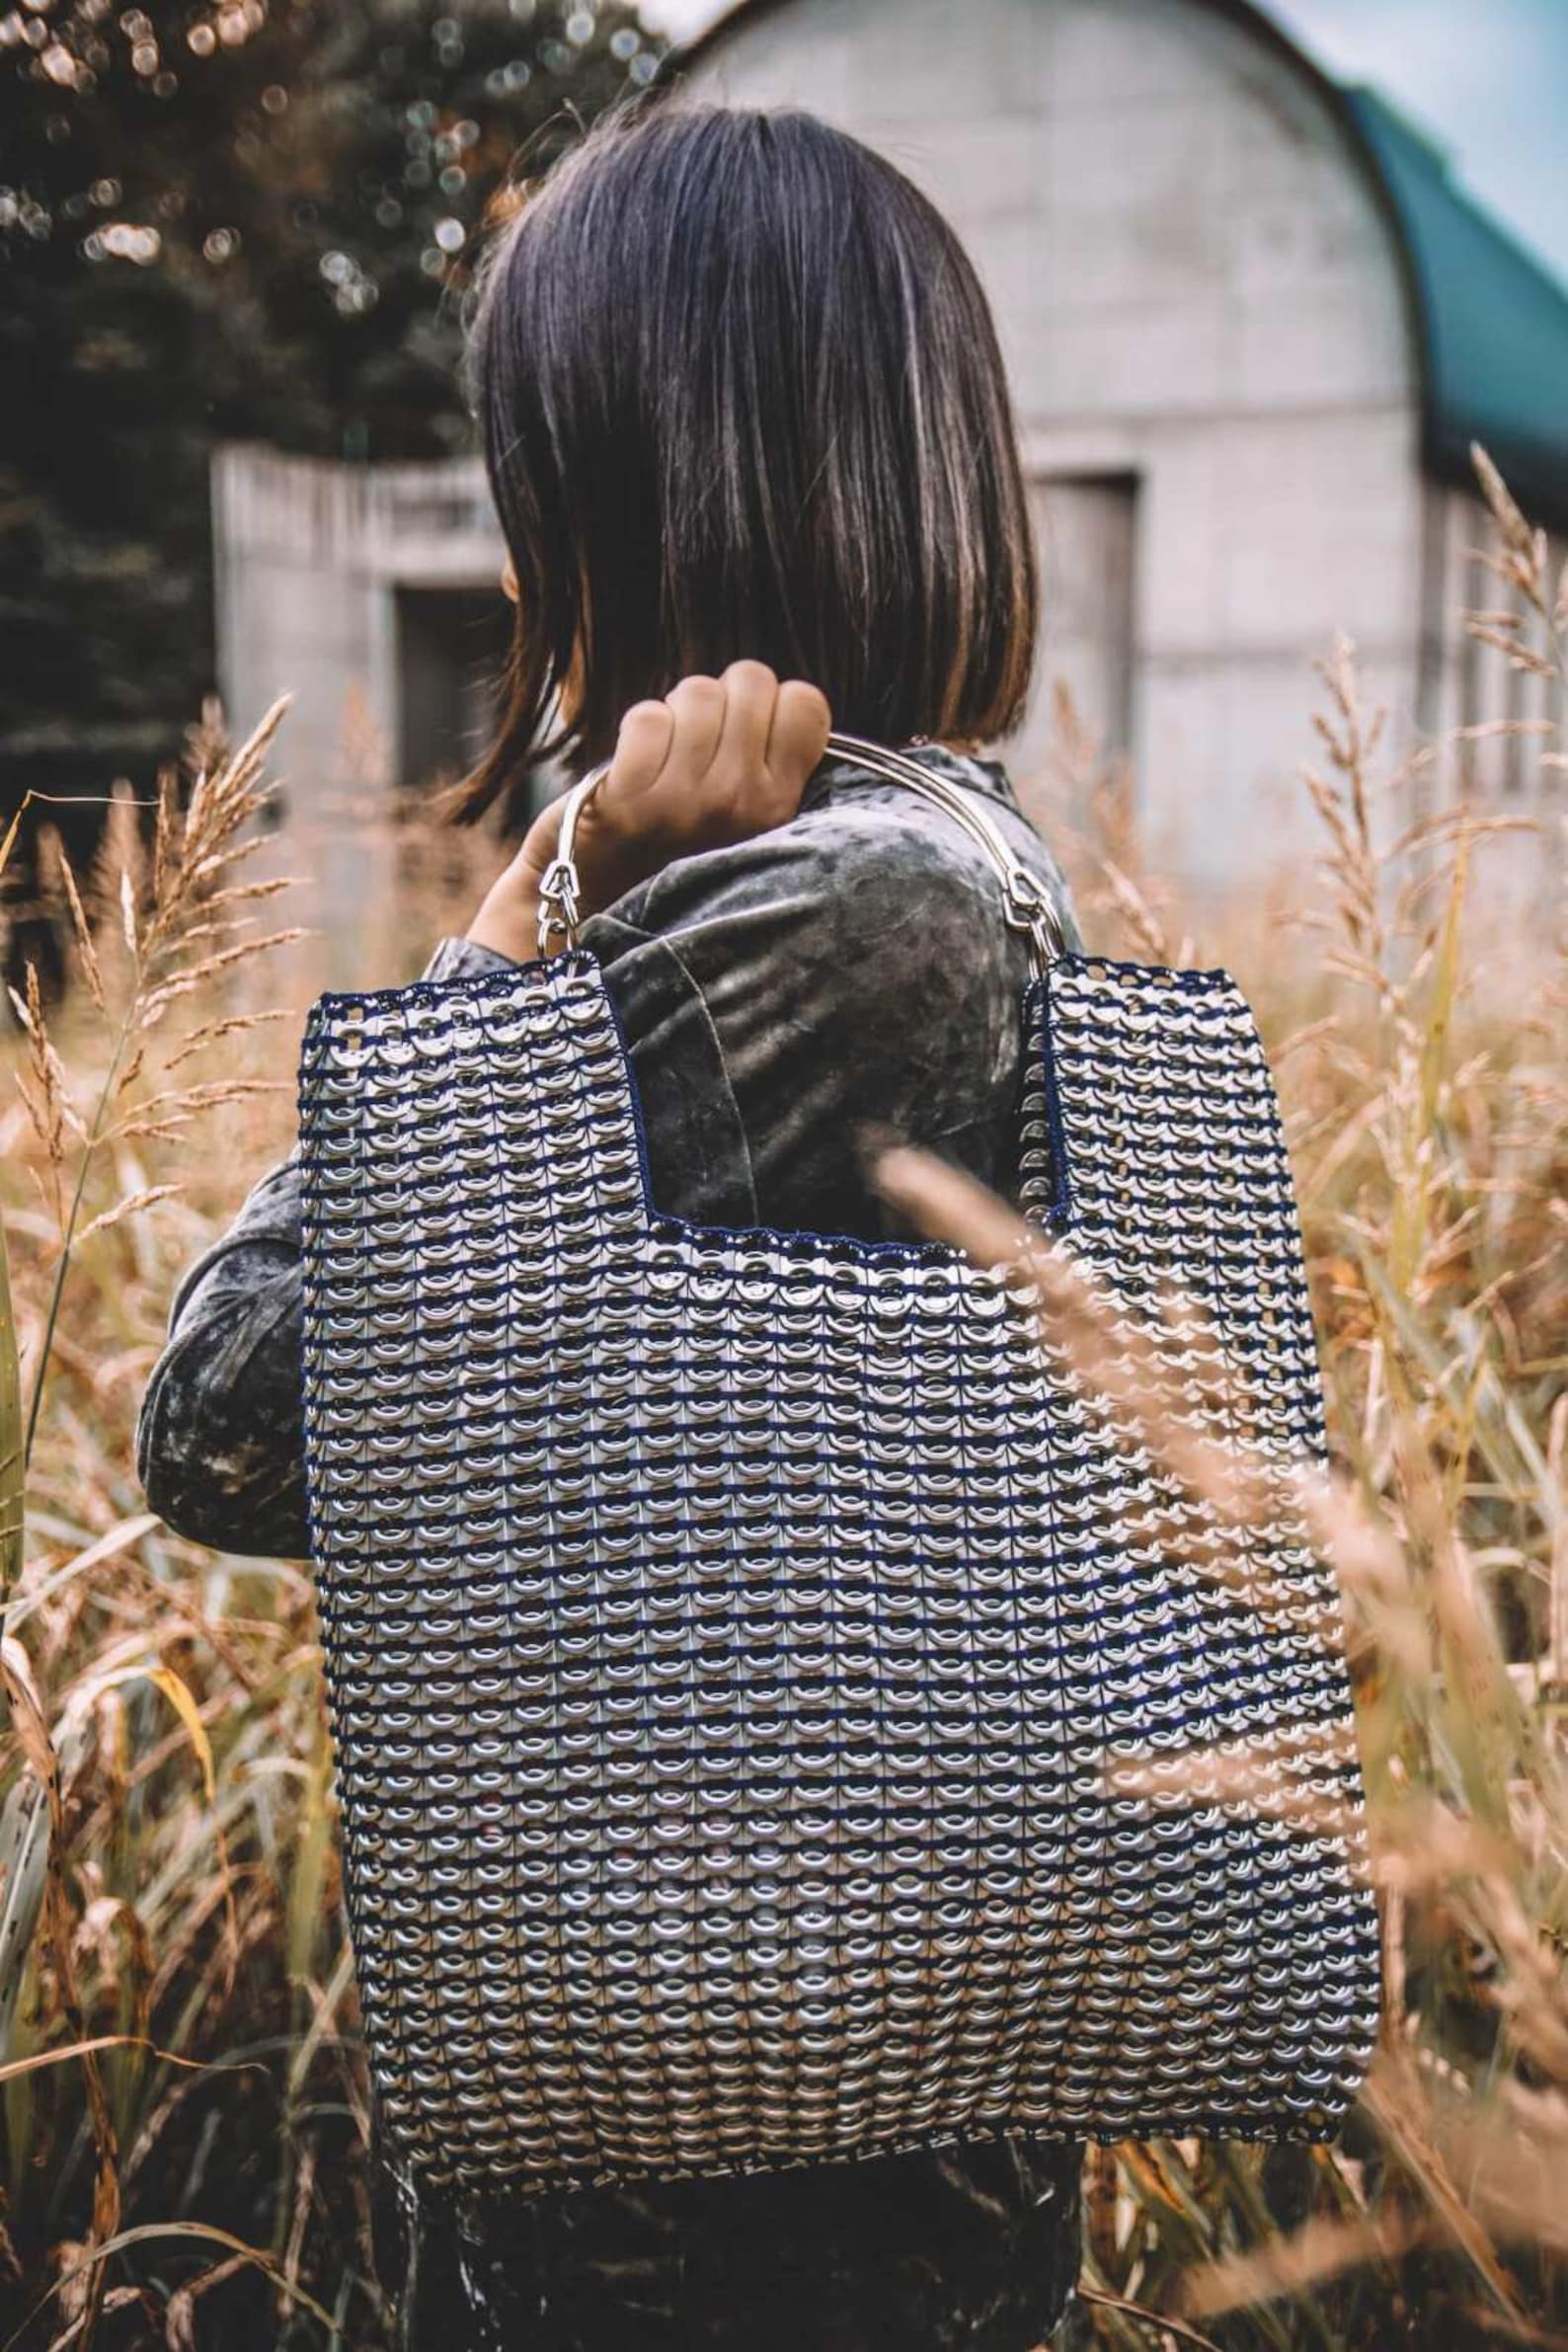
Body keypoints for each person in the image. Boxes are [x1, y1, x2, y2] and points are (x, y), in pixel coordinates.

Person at [138, 100, 1086, 2352]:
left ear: (638, 485)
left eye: (532, 472)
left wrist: (523, 915)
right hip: (865, 2130)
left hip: (720, 2183)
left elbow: (229, 1427)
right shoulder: (975, 863)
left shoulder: (847, 916)